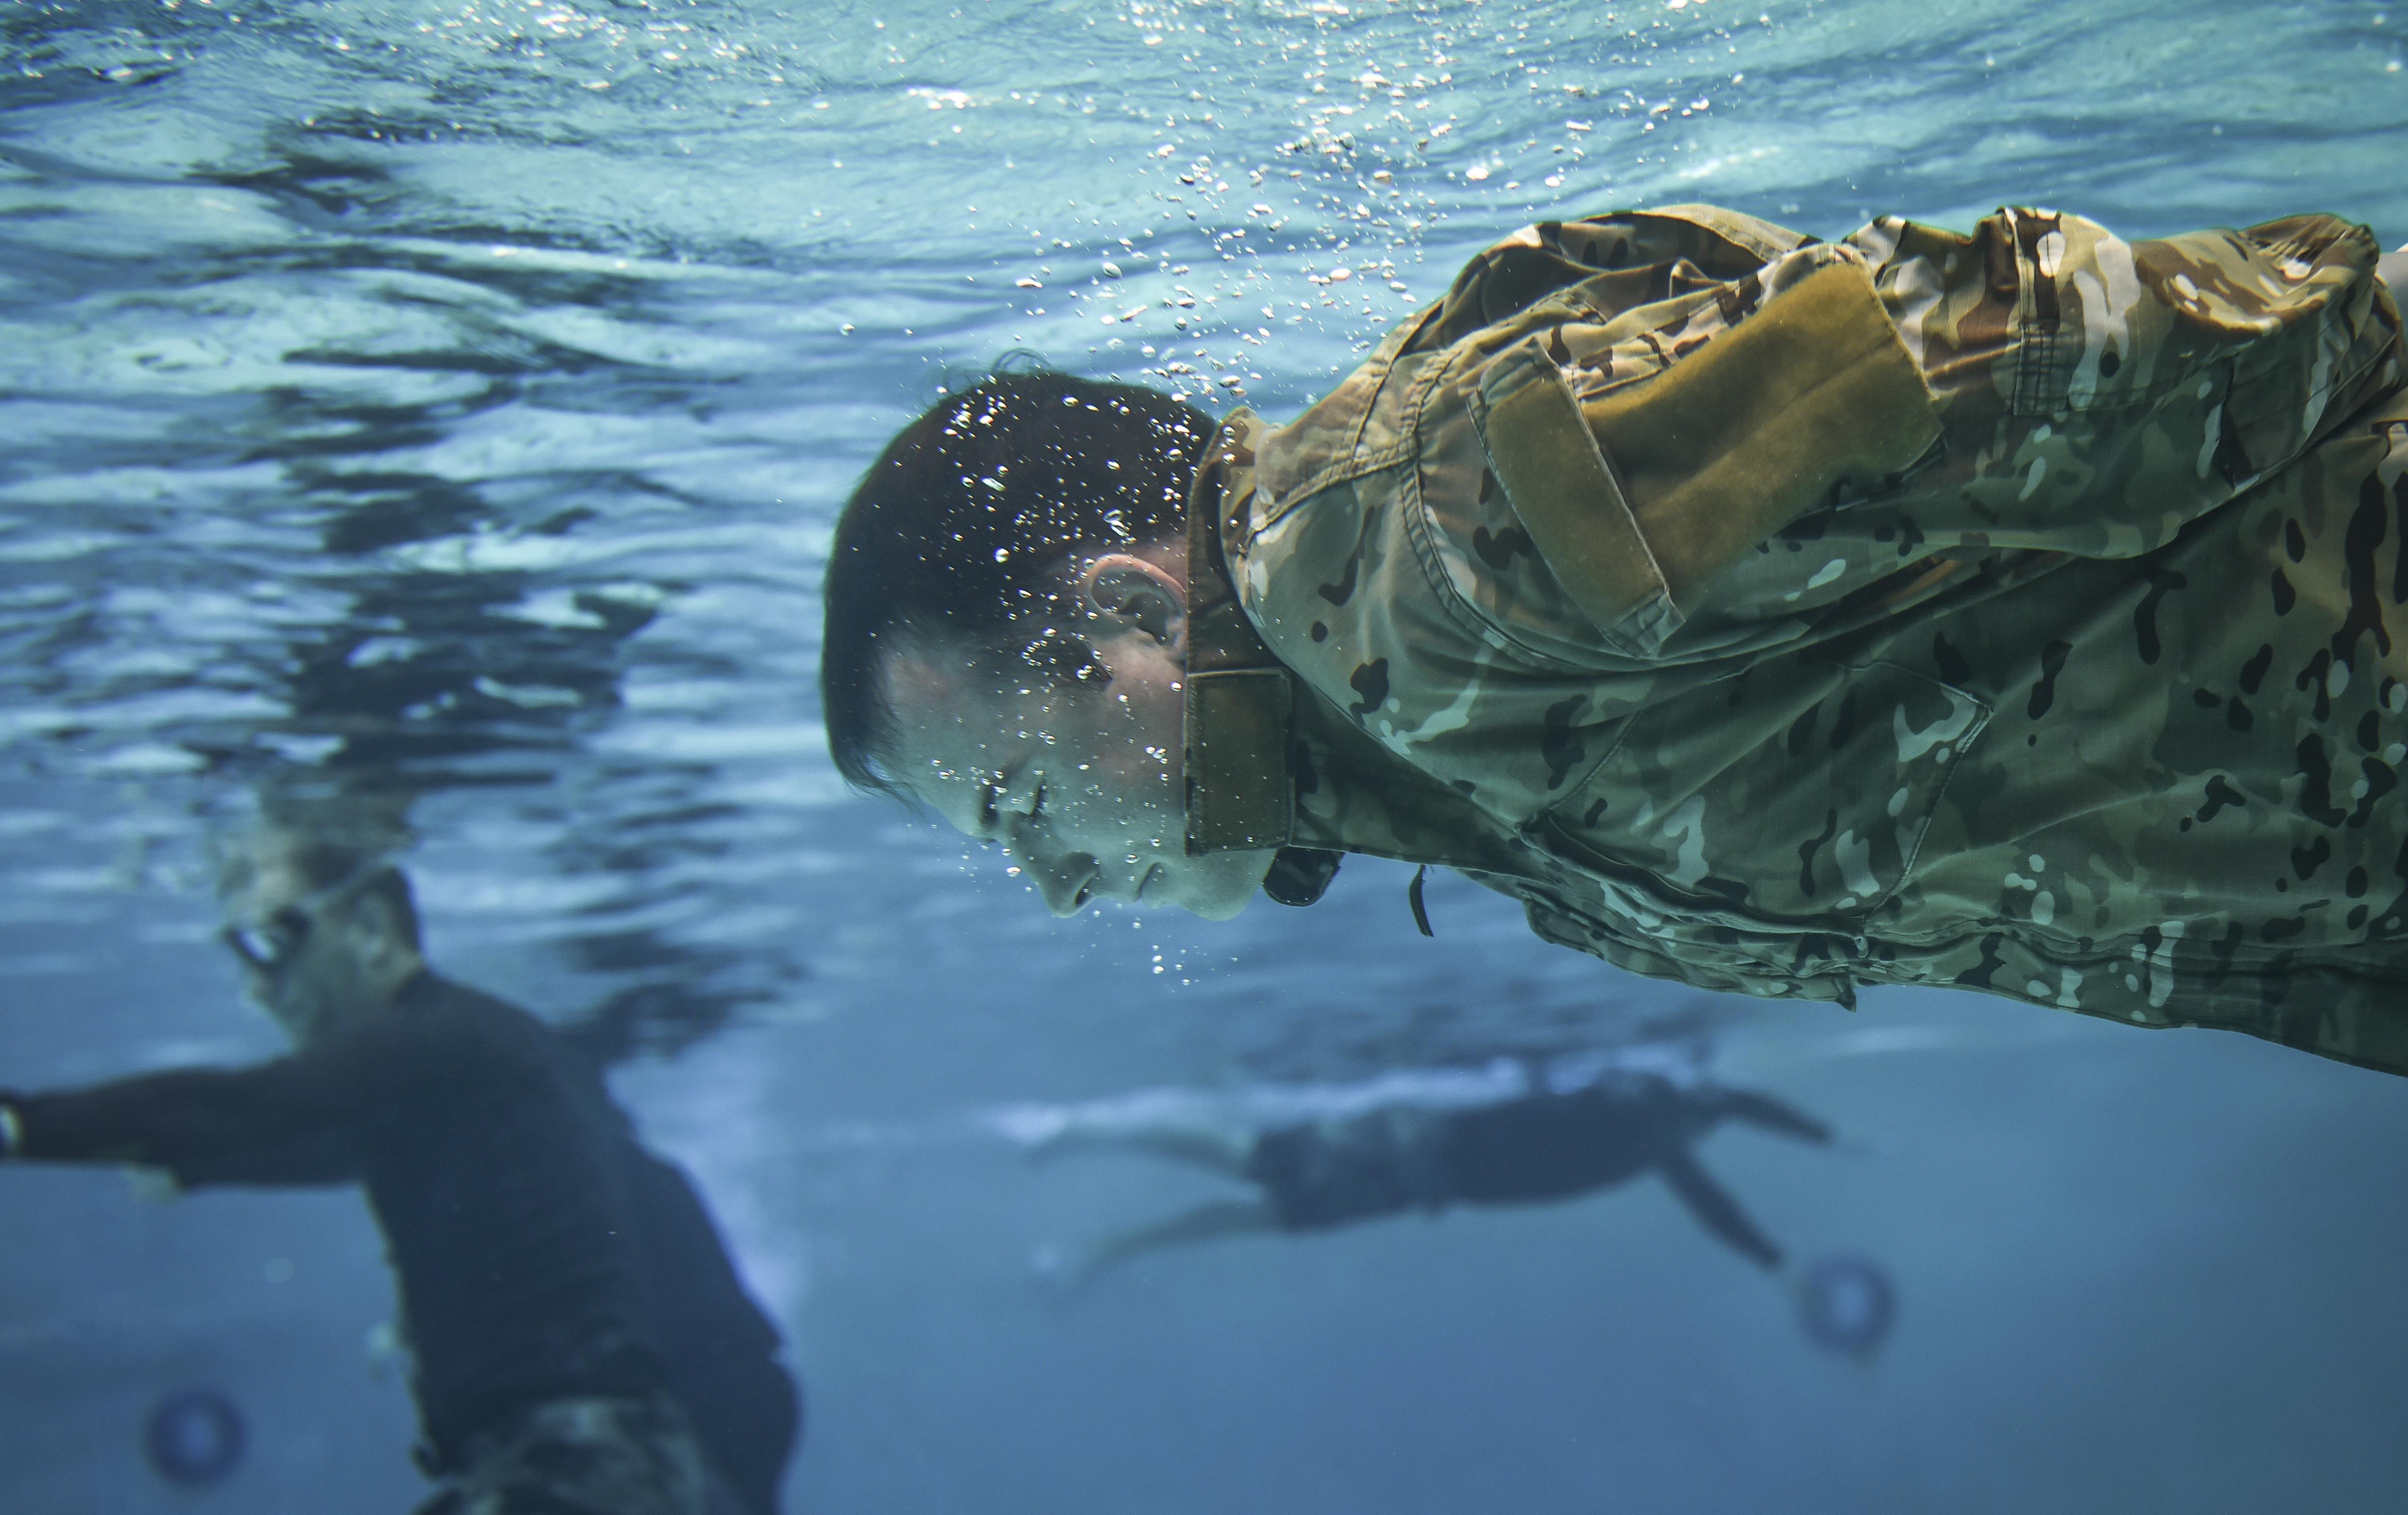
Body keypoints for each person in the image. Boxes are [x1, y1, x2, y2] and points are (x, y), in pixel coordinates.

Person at [822, 205, 2408, 1074]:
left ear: (1129, 613)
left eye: (1019, 804)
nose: (1052, 887)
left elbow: (2054, 349)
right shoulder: (1420, 779)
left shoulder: (1427, 565)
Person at [0, 837, 800, 1515]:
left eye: (272, 941)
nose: (257, 986)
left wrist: (24, 1126)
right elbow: (319, 1139)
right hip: (586, 1474)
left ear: (372, 930)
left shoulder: (442, 1041)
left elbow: (245, 1107)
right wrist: (197, 1162)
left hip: (573, 1472)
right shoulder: (487, 1062)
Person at [1024, 1066, 1830, 1282]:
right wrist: (1776, 1261)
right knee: (1246, 1172)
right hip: (1405, 1153)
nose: (1693, 1139)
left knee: (1257, 1204)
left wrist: (1827, 1144)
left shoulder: (1644, 1128)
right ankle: (1087, 1133)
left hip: (1414, 1178)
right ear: (1687, 1114)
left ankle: (1104, 1232)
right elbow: (1712, 1199)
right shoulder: (1638, 1120)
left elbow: (1717, 1168)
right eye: (1699, 1124)